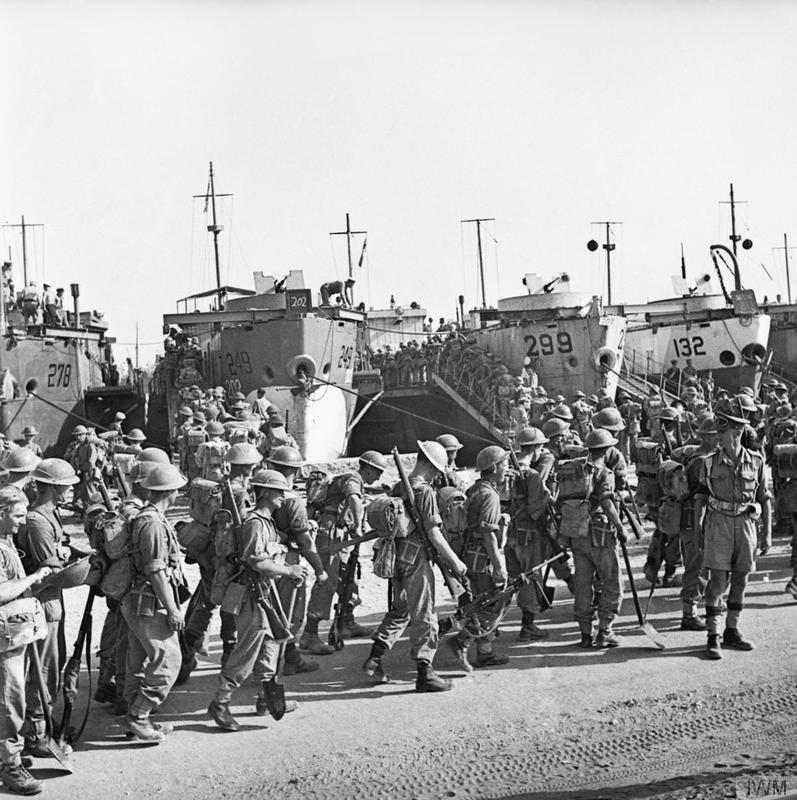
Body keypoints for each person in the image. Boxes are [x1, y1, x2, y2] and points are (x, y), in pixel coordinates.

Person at [207, 469, 308, 731]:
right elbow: (256, 560)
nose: (282, 499)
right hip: (253, 594)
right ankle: (220, 702)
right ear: (264, 493)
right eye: (278, 493)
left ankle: (267, 698)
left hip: (265, 592)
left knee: (271, 643)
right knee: (247, 651)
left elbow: (270, 550)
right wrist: (289, 570)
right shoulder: (254, 522)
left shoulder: (267, 522)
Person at [363, 441, 467, 691]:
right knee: (425, 613)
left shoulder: (400, 486)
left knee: (400, 611)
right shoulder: (425, 492)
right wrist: (456, 561)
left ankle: (374, 658)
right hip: (415, 557)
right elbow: (434, 534)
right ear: (434, 467)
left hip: (395, 555)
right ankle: (425, 672)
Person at [693, 410, 771, 659]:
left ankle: (732, 630)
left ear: (736, 433)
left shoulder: (757, 461)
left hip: (746, 525)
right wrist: (698, 531)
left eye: (721, 432)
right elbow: (701, 499)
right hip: (719, 525)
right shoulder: (708, 462)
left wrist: (767, 534)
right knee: (717, 582)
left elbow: (764, 499)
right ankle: (712, 636)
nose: (717, 437)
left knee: (741, 580)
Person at [18, 458, 80, 756]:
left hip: (53, 601)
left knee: (55, 664)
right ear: (54, 488)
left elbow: (56, 555)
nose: (71, 490)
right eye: (67, 486)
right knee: (43, 669)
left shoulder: (49, 515)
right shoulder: (37, 521)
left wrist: (70, 552)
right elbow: (49, 569)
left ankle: (42, 716)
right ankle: (36, 731)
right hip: (42, 603)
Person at [122, 464, 188, 742]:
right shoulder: (152, 523)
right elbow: (155, 570)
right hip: (147, 602)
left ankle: (136, 718)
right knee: (168, 659)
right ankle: (139, 716)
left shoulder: (150, 518)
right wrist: (172, 609)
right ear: (170, 492)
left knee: (138, 662)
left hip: (140, 601)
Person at [301, 451, 388, 653]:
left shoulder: (356, 480)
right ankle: (309, 635)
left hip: (340, 535)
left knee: (348, 576)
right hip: (330, 535)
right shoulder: (353, 478)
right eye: (378, 472)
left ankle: (347, 622)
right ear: (368, 468)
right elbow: (354, 499)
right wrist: (358, 525)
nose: (379, 477)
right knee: (327, 581)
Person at [0, 486, 52, 796]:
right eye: (18, 516)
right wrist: (34, 578)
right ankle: (10, 766)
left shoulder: (5, 540)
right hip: (4, 641)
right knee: (10, 701)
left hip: (13, 634)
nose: (22, 522)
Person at [447, 445, 511, 669]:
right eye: (504, 464)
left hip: (469, 555)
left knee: (482, 602)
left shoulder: (475, 489)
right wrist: (498, 566)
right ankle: (461, 641)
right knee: (494, 603)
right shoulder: (489, 495)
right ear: (493, 468)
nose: (507, 469)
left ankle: (485, 652)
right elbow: (488, 535)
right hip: (482, 557)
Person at [561, 429, 626, 648]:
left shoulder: (575, 470)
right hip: (600, 534)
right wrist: (620, 527)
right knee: (612, 581)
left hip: (577, 533)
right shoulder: (604, 472)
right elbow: (607, 502)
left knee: (582, 584)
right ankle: (605, 630)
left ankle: (585, 634)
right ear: (607, 450)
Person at [267, 446, 327, 675]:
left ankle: (286, 656)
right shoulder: (293, 501)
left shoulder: (261, 491)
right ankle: (282, 662)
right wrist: (320, 570)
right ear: (295, 471)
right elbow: (305, 542)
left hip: (268, 558)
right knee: (291, 614)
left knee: (272, 611)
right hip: (289, 560)